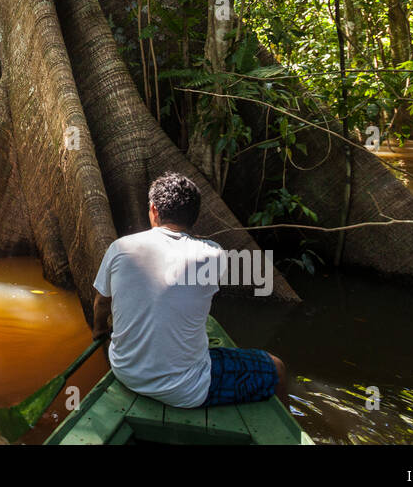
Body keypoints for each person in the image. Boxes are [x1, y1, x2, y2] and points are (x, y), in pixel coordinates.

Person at [91, 171, 286, 408]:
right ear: (194, 216)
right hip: (186, 389)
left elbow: (101, 302)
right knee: (277, 368)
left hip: (125, 372)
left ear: (153, 210)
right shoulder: (213, 254)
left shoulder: (119, 247)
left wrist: (99, 331)